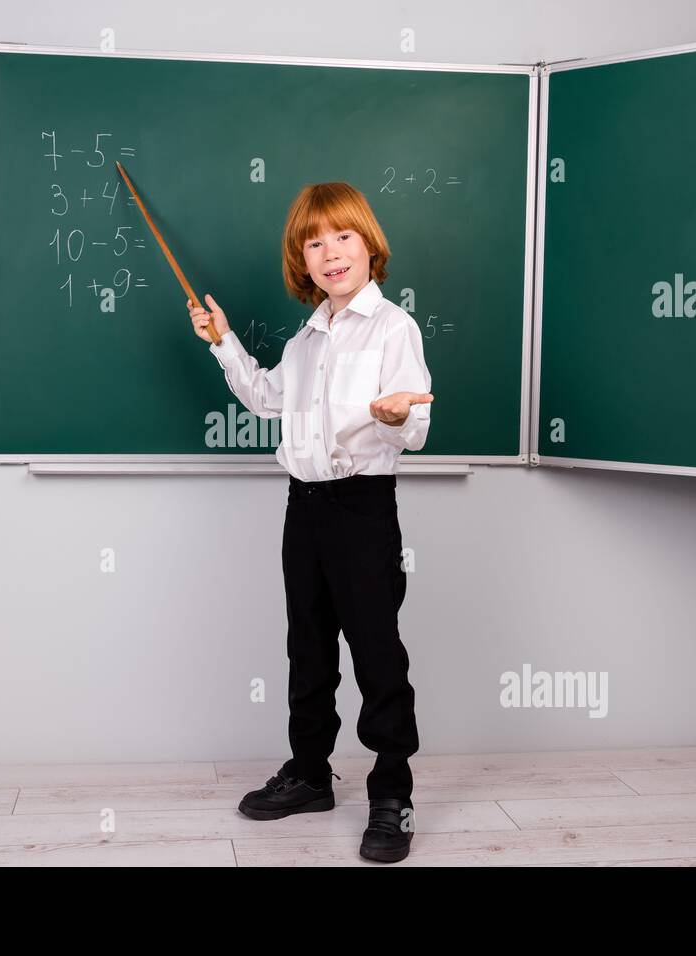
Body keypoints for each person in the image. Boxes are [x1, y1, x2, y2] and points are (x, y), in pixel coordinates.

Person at [187, 181, 434, 863]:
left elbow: (417, 422)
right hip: (306, 507)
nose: (330, 253)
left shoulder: (393, 327)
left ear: (368, 245)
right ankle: (309, 773)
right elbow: (268, 398)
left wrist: (396, 417)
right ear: (302, 260)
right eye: (313, 242)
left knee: (377, 651)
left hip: (362, 507)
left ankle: (392, 794)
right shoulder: (305, 341)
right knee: (309, 646)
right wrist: (223, 342)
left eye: (342, 237)